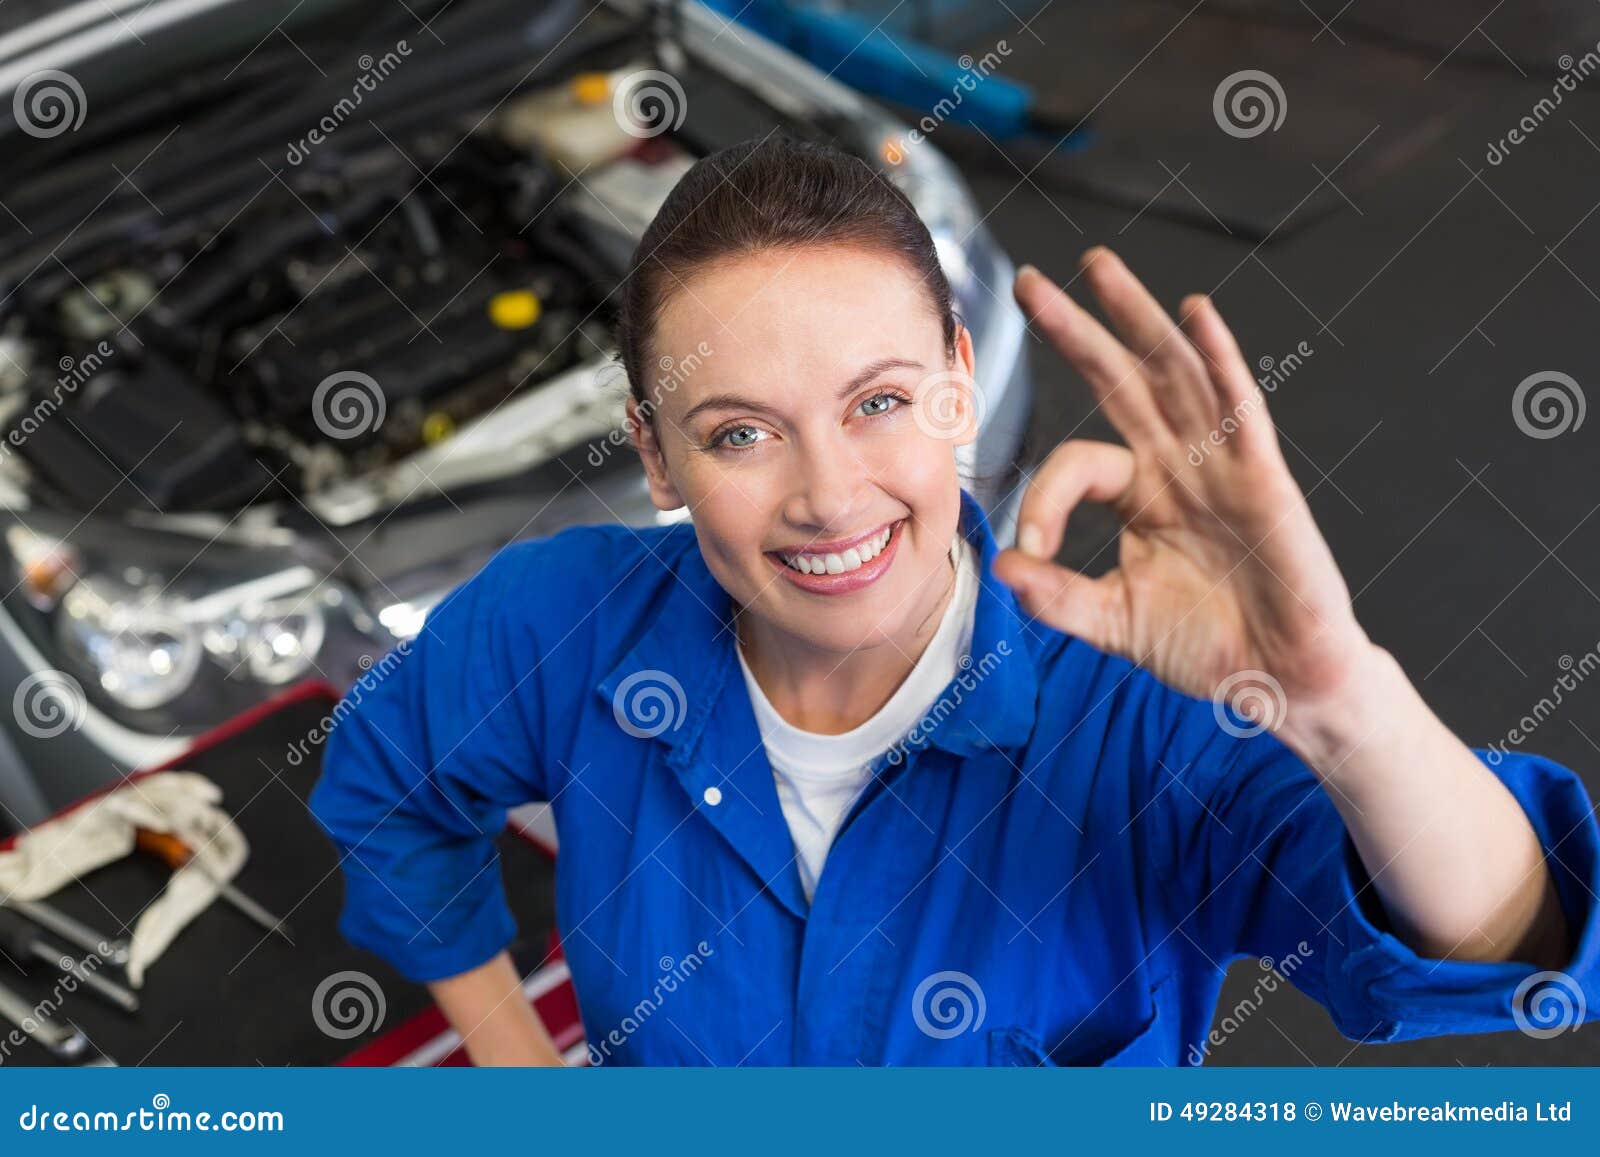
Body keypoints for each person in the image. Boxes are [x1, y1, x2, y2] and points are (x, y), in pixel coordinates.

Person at [309, 135, 1598, 1066]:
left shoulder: (1149, 723)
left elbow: (1509, 948)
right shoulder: (559, 623)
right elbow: (387, 780)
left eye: (879, 402)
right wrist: (516, 1065)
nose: (829, 497)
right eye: (741, 433)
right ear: (655, 455)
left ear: (958, 383)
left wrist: (1338, 698)